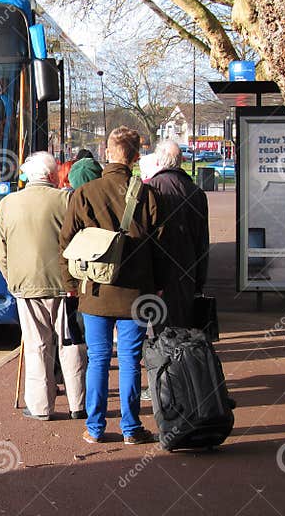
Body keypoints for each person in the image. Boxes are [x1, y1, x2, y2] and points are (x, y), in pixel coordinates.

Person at [59, 126, 163, 445]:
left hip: (95, 290)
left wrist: (71, 283)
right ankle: (131, 428)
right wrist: (157, 285)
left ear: (107, 152)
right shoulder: (146, 194)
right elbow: (161, 246)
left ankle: (95, 427)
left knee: (99, 359)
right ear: (135, 157)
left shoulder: (85, 193)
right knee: (131, 359)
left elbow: (66, 241)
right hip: (135, 293)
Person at [0, 152, 87, 421]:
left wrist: (13, 280)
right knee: (71, 344)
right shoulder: (66, 199)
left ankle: (40, 407)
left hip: (26, 286)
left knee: (37, 347)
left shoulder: (8, 203)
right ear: (50, 175)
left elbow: (0, 252)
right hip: (64, 285)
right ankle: (77, 404)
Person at [147, 139, 209, 331]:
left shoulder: (150, 189)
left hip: (157, 272)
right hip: (187, 268)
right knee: (183, 325)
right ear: (180, 161)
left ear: (158, 160)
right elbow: (202, 241)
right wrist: (200, 280)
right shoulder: (196, 193)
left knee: (159, 327)